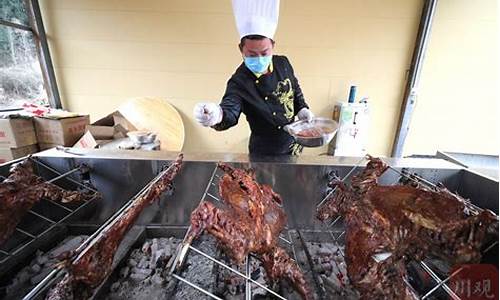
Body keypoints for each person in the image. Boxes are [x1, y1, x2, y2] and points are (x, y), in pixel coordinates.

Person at [193, 0, 314, 156]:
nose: (259, 59)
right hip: (264, 151)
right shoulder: (239, 82)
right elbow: (230, 111)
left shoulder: (283, 63)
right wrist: (217, 115)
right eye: (252, 55)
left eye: (264, 53)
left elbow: (295, 89)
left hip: (294, 144)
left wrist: (302, 108)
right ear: (241, 50)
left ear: (273, 46)